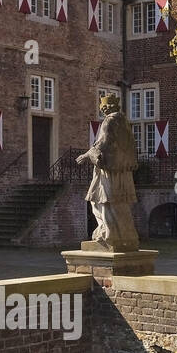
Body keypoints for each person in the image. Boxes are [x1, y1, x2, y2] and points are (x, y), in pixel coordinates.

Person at [75, 94, 139, 250]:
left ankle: (108, 234)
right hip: (122, 172)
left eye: (103, 107)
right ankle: (127, 234)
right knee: (119, 203)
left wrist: (85, 155)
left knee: (99, 201)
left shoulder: (109, 121)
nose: (102, 110)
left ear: (106, 108)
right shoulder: (124, 123)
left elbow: (102, 145)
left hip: (108, 172)